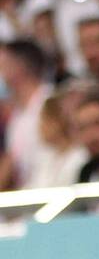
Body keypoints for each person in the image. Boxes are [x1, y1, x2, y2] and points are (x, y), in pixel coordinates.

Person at [0, 38, 53, 189]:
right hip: (25, 195)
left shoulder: (50, 103)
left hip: (48, 189)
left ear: (18, 67)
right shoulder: (17, 115)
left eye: (1, 66)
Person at [28, 89, 87, 183]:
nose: (40, 127)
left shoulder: (80, 157)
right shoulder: (46, 157)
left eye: (44, 120)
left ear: (57, 122)